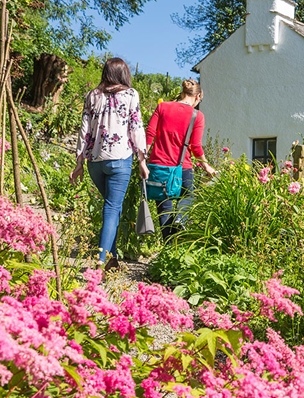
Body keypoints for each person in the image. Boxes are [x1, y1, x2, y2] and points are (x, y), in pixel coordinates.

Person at [70, 57, 149, 270]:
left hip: (95, 162)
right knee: (112, 209)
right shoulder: (131, 95)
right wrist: (142, 160)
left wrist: (79, 162)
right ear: (124, 74)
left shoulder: (92, 95)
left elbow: (84, 131)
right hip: (119, 159)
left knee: (112, 208)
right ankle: (100, 261)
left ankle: (112, 259)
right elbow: (136, 127)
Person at [146, 79, 217, 240]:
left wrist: (142, 159)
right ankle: (180, 223)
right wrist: (207, 167)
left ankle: (168, 249)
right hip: (183, 168)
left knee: (165, 209)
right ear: (198, 96)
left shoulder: (162, 107)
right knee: (188, 198)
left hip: (159, 166)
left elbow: (150, 133)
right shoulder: (197, 116)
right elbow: (196, 146)